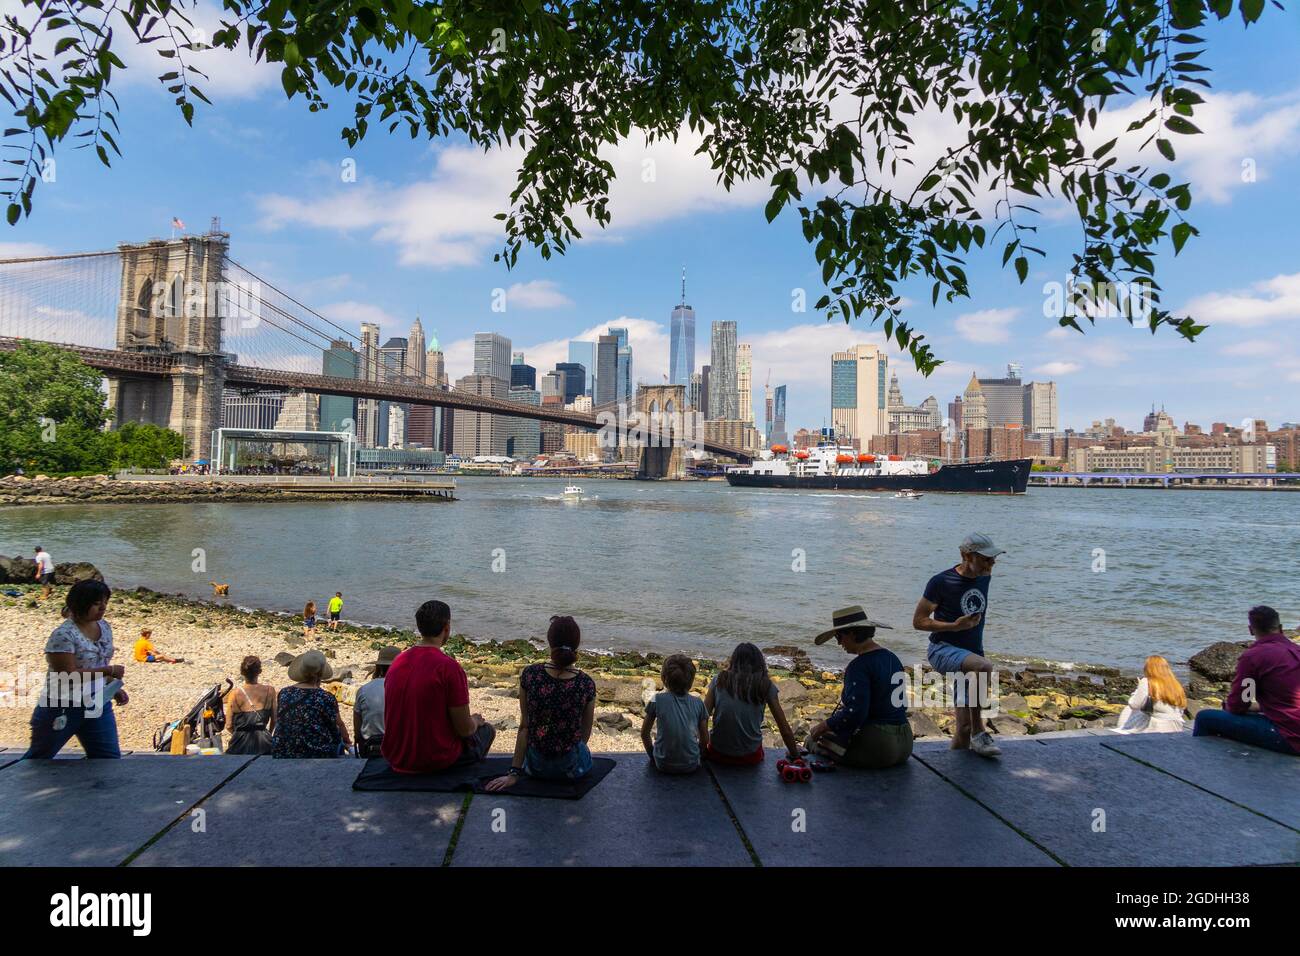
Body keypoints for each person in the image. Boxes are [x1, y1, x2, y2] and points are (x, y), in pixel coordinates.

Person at [913, 533, 1004, 758]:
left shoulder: (985, 576)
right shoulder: (941, 582)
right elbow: (919, 621)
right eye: (986, 559)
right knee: (984, 667)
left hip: (971, 656)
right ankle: (980, 731)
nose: (992, 563)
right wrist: (954, 626)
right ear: (966, 555)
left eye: (993, 559)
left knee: (962, 729)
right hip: (942, 649)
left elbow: (985, 570)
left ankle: (952, 778)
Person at [381, 600, 495, 773]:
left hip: (396, 756)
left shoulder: (398, 662)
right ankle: (465, 776)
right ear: (447, 627)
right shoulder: (448, 667)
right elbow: (464, 729)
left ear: (419, 627)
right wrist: (476, 722)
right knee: (487, 731)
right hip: (435, 760)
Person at [485, 616, 596, 791]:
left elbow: (524, 727)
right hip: (573, 770)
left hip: (536, 768)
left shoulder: (530, 675)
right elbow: (584, 735)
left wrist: (514, 773)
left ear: (550, 642)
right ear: (577, 645)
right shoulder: (586, 683)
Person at [25, 579, 125, 759]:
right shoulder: (63, 635)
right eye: (96, 604)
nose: (102, 608)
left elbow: (97, 662)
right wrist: (108, 671)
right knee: (39, 758)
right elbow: (67, 675)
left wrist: (114, 688)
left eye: (104, 603)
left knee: (108, 758)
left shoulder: (104, 627)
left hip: (98, 703)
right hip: (62, 706)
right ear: (80, 605)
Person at [805, 606, 913, 768]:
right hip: (905, 743)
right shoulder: (892, 658)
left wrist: (823, 726)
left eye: (839, 637)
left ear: (852, 633)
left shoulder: (858, 666)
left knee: (811, 741)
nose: (839, 643)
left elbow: (856, 712)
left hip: (881, 746)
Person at [1193, 606, 1300, 755]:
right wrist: (1261, 707)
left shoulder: (1253, 657)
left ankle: (1202, 768)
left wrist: (1232, 706)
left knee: (1204, 717)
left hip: (1290, 737)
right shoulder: (1296, 651)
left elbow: (1240, 704)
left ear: (1251, 629)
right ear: (1280, 628)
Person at [704, 642, 802, 765]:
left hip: (718, 753)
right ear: (760, 663)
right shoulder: (765, 685)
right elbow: (784, 728)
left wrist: (701, 748)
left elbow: (703, 716)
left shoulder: (719, 680)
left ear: (734, 661)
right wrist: (795, 755)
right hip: (750, 757)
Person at [271, 650, 351, 758]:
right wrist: (347, 741)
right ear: (321, 673)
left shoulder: (285, 693)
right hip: (317, 752)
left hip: (283, 750)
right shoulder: (326, 697)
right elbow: (338, 725)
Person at [642, 654, 709, 773]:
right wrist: (696, 755)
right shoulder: (698, 703)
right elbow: (704, 739)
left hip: (662, 763)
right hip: (691, 764)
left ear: (663, 679)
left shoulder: (656, 699)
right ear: (691, 681)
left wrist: (653, 756)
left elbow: (644, 733)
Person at [1115, 656, 1186, 734]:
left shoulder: (1147, 681)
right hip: (1176, 726)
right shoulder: (1175, 683)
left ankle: (1121, 731)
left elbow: (1134, 705)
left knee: (1128, 709)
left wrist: (1138, 689)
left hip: (1158, 727)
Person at [226, 655, 276, 755]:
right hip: (264, 742)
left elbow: (228, 725)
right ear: (259, 672)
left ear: (242, 672)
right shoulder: (270, 691)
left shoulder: (234, 694)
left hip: (239, 743)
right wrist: (268, 734)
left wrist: (238, 734)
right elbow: (275, 719)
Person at [354, 646, 397, 758]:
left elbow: (357, 728)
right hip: (397, 747)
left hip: (370, 747)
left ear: (379, 666)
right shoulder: (405, 689)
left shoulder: (363, 689)